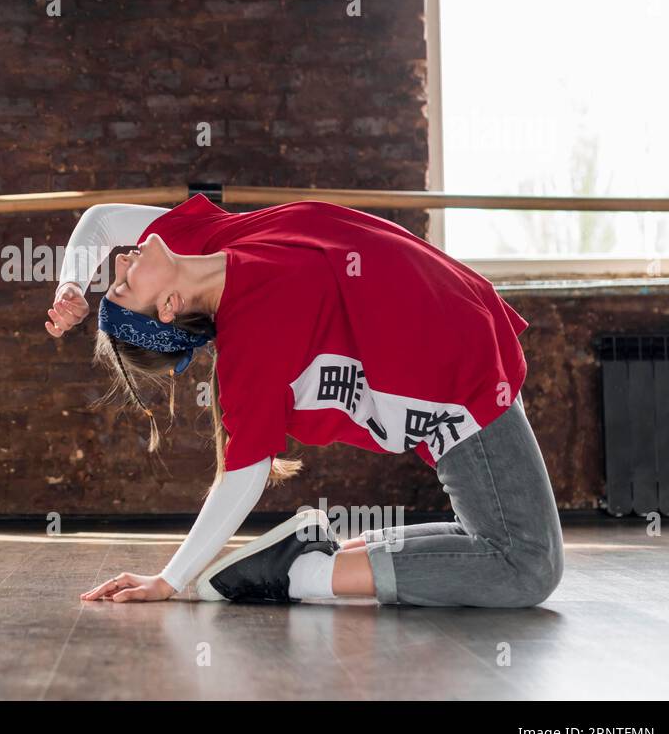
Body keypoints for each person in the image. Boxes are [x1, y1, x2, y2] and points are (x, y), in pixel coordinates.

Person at [44, 195, 564, 607]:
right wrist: (172, 578)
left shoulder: (200, 237)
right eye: (123, 284)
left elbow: (103, 222)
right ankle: (303, 572)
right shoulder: (249, 344)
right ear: (169, 306)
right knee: (527, 567)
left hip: (467, 346)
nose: (123, 261)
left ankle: (315, 556)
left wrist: (72, 284)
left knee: (489, 542)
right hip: (460, 388)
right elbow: (244, 474)